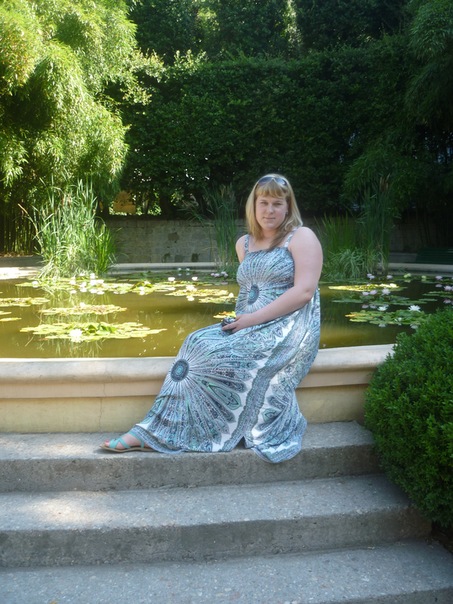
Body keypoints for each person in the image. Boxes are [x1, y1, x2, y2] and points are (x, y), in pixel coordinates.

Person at [101, 174, 323, 463]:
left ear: (288, 207)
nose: (269, 210)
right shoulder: (244, 244)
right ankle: (162, 428)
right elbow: (250, 293)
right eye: (264, 203)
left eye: (277, 204)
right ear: (253, 206)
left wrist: (250, 321)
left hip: (289, 326)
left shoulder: (301, 237)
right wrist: (240, 322)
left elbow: (304, 292)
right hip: (251, 321)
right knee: (196, 342)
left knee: (219, 353)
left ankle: (174, 433)